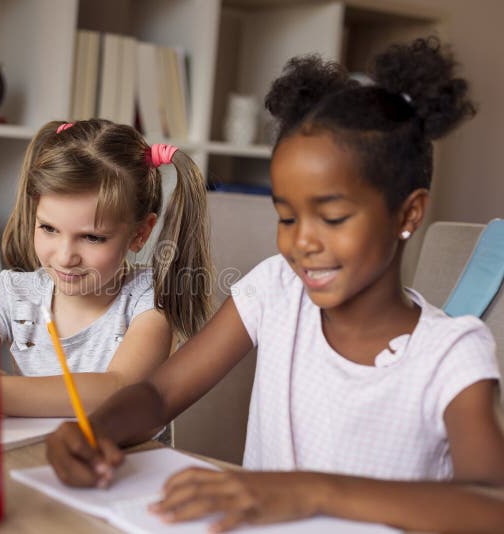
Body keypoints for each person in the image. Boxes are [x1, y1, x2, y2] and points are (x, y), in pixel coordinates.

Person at [45, 37, 504, 532]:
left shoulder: (450, 353)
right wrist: (96, 431)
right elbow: (159, 396)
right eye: (287, 217)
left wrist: (311, 490)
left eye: (332, 217)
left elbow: (491, 505)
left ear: (407, 213)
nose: (302, 241)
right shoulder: (275, 292)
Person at [0, 118, 214, 417]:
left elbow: (117, 388)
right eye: (48, 228)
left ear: (140, 233)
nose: (65, 256)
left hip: (124, 461)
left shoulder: (151, 303)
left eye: (92, 237)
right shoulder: (12, 293)